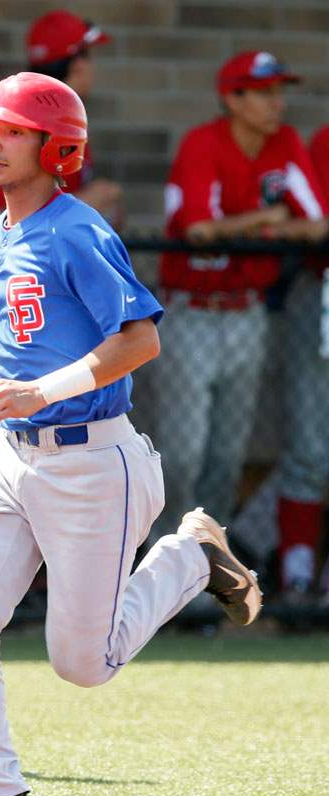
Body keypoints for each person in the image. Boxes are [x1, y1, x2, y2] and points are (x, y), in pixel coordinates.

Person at [0, 72, 262, 796]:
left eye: (13, 130)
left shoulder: (81, 229)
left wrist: (42, 391)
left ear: (57, 147)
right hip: (10, 460)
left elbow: (140, 340)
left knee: (84, 664)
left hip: (93, 462)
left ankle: (189, 555)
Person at [152, 51, 327, 547]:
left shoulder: (287, 143)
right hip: (192, 310)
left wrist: (269, 224)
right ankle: (160, 564)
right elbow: (201, 230)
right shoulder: (203, 143)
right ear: (233, 98)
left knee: (227, 456)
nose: (278, 103)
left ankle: (205, 569)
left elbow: (317, 224)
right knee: (183, 453)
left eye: (279, 91)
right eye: (265, 92)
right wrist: (263, 220)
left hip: (246, 310)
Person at [270, 124, 329, 599]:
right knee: (309, 443)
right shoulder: (323, 140)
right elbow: (315, 220)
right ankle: (297, 568)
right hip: (322, 292)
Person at [24, 8, 123, 220]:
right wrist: (90, 201)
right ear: (78, 66)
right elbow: (19, 218)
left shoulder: (68, 120)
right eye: (89, 57)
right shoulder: (30, 127)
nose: (92, 67)